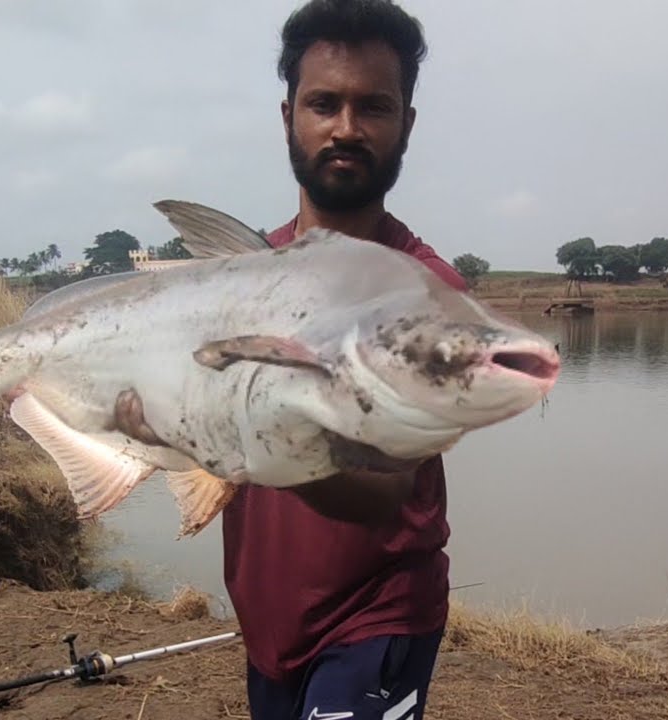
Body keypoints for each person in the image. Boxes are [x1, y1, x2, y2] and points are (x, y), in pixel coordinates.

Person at [222, 2, 468, 719]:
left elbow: (381, 490)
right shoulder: (242, 274)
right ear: (288, 116)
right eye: (324, 103)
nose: (346, 129)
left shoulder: (426, 293)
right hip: (268, 620)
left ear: (406, 126)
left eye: (374, 107)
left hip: (376, 616)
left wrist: (266, 421)